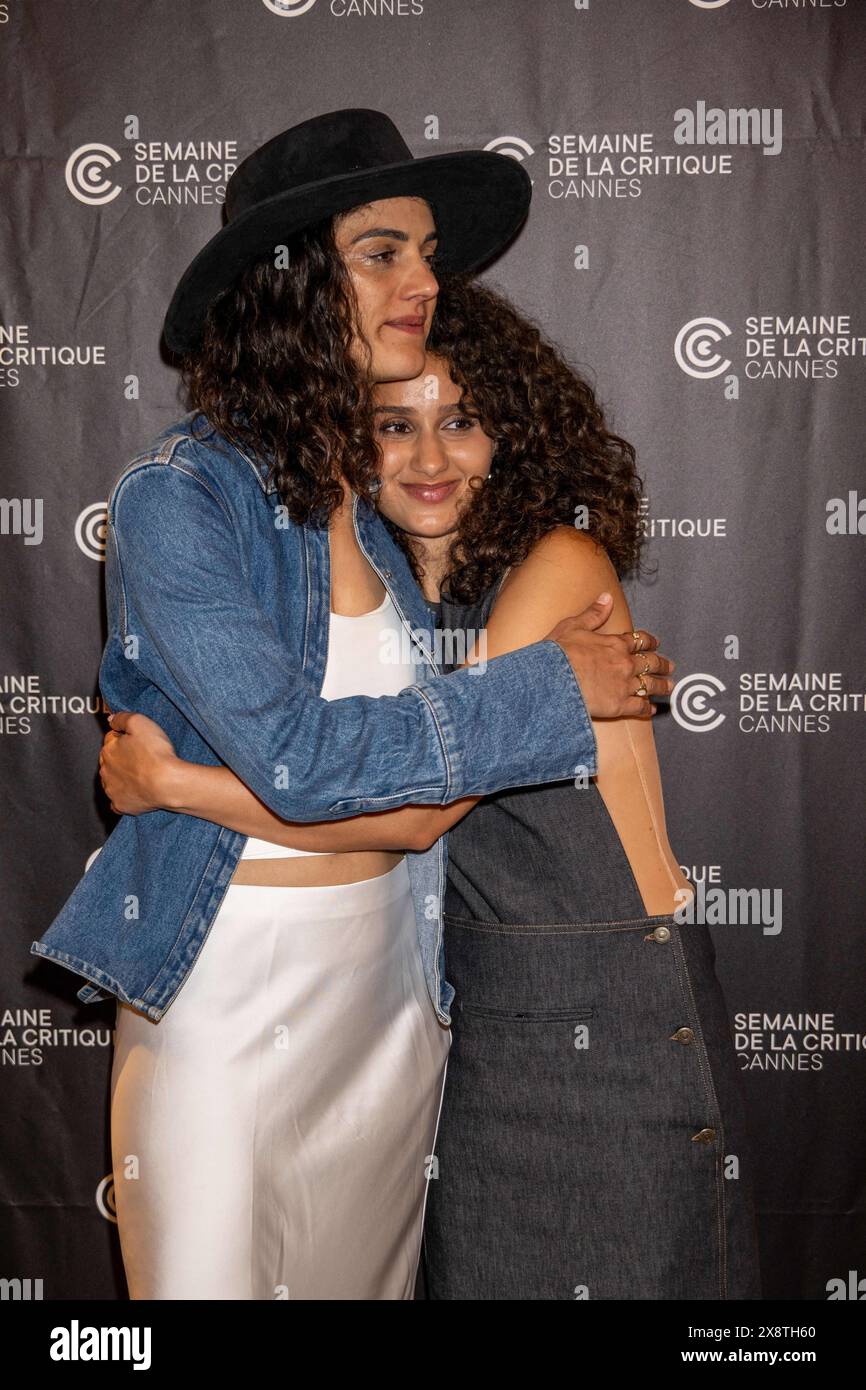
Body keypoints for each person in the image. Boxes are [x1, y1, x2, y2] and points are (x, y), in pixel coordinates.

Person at [31, 109, 674, 1301]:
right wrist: (544, 691)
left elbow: (425, 811)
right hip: (229, 992)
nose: (423, 280)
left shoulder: (388, 517)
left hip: (393, 1000)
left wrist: (171, 783)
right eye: (383, 251)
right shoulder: (178, 501)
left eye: (426, 253)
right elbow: (307, 760)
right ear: (285, 286)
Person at [99, 276, 761, 1300]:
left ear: (514, 432)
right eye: (391, 426)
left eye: (460, 421)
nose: (427, 458)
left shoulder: (555, 562)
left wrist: (180, 783)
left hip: (613, 1018)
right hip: (476, 1028)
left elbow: (418, 809)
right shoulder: (403, 609)